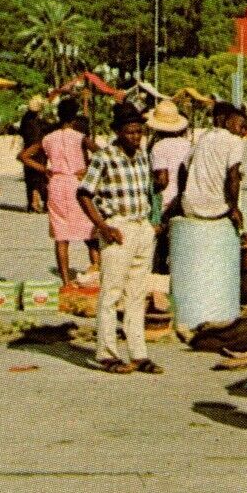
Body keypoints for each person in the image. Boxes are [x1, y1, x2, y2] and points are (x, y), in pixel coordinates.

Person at [77, 102, 160, 374]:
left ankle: (138, 352)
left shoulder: (143, 155)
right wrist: (101, 226)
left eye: (139, 132)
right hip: (118, 227)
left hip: (141, 227)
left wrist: (152, 223)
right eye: (130, 132)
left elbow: (148, 192)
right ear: (117, 132)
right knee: (111, 293)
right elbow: (84, 193)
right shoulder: (105, 157)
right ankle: (107, 353)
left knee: (137, 294)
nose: (135, 137)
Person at [20, 98, 99, 286]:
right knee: (91, 232)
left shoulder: (48, 138)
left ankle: (65, 282)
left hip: (56, 184)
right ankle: (97, 270)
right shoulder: (80, 137)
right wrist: (89, 170)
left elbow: (23, 156)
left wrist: (44, 169)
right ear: (74, 117)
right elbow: (102, 154)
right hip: (77, 184)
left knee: (61, 237)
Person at [181, 101, 247, 232]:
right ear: (227, 122)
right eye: (242, 126)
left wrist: (182, 196)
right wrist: (234, 209)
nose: (244, 132)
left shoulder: (203, 137)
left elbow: (183, 168)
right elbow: (232, 176)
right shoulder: (234, 141)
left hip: (189, 207)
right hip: (216, 210)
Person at [145, 99, 191, 276]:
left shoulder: (158, 147)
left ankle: (161, 281)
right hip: (184, 200)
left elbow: (162, 180)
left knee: (163, 246)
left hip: (166, 201)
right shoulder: (187, 144)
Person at [18, 96, 49, 213]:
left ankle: (33, 202)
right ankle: (38, 202)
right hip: (38, 151)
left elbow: (21, 133)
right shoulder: (39, 122)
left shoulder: (25, 120)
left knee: (30, 178)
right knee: (39, 177)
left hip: (27, 150)